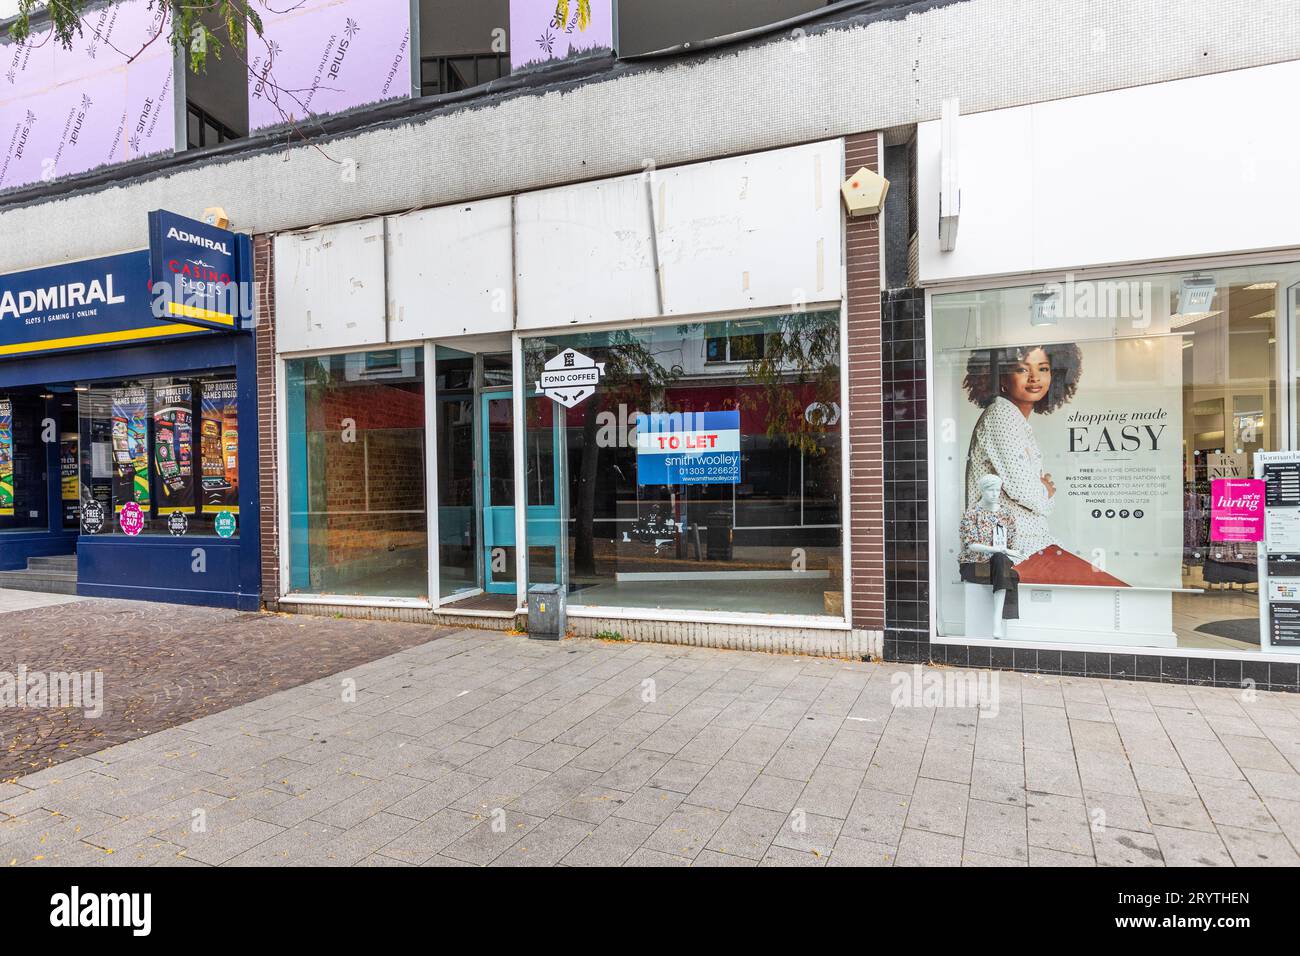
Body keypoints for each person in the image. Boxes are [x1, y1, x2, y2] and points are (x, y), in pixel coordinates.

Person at [962, 342, 1127, 587]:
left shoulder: (1015, 419)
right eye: (1022, 369)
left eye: (1044, 369)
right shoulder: (1002, 416)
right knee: (1109, 589)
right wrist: (1045, 491)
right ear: (1002, 378)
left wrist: (1038, 490)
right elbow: (1028, 492)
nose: (1034, 378)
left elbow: (1026, 490)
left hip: (1028, 547)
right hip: (1014, 552)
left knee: (1107, 588)